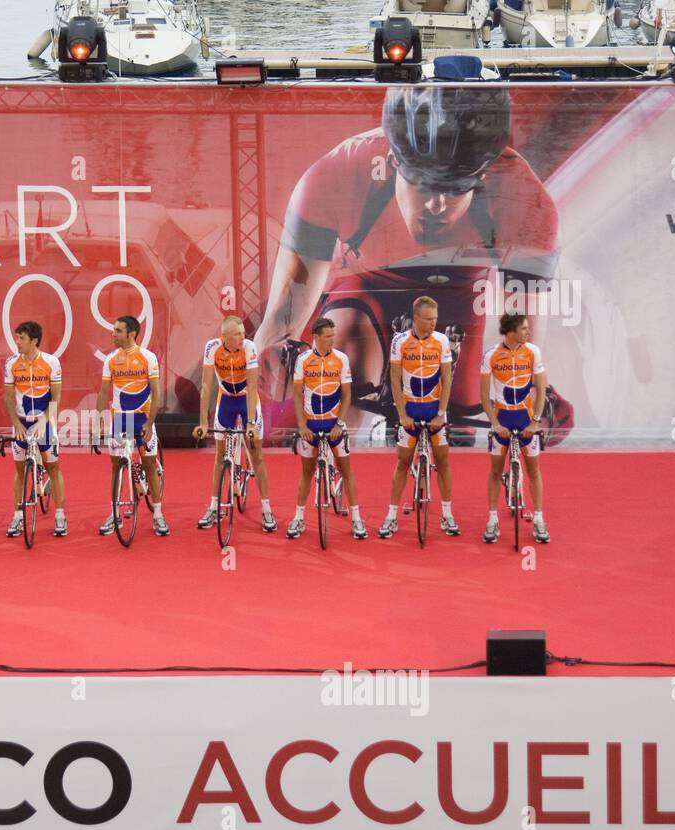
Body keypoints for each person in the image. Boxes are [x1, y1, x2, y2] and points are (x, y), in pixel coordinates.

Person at [255, 84, 571, 442]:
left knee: (462, 423)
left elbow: (522, 338)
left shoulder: (526, 202)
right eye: (422, 183)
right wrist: (267, 378)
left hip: (458, 295)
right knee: (343, 361)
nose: (436, 205)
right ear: (394, 161)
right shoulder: (335, 175)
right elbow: (282, 320)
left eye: (455, 189)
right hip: (364, 283)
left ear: (481, 178)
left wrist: (531, 390)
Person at [379, 296, 460, 538]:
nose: (433, 323)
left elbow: (447, 379)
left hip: (435, 410)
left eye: (435, 318)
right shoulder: (399, 341)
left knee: (443, 462)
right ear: (416, 319)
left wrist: (442, 413)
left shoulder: (442, 341)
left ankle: (447, 514)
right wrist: (402, 414)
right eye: (428, 319)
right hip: (410, 410)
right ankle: (391, 516)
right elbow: (394, 378)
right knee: (403, 463)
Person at [193, 315, 276, 533]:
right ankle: (213, 506)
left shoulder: (249, 348)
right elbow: (205, 385)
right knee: (220, 457)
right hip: (226, 400)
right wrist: (202, 421)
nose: (243, 336)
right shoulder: (212, 348)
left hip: (246, 400)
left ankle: (267, 509)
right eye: (237, 334)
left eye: (242, 332)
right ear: (225, 336)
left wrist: (250, 422)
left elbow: (251, 387)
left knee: (256, 455)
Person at [289, 317, 367, 540]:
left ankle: (357, 519)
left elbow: (347, 394)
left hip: (334, 426)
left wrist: (340, 424)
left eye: (334, 336)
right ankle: (298, 518)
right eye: (328, 337)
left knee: (346, 470)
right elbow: (296, 394)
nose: (332, 340)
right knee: (306, 473)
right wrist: (302, 425)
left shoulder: (341, 359)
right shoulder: (302, 360)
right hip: (311, 426)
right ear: (316, 337)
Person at [481, 313, 550, 545]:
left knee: (533, 471)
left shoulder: (533, 352)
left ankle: (539, 519)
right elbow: (483, 395)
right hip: (502, 420)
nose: (527, 333)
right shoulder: (491, 354)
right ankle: (492, 520)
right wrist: (495, 423)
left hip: (525, 420)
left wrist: (536, 422)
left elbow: (541, 389)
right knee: (494, 472)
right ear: (511, 330)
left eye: (528, 329)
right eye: (523, 329)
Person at [97, 315, 168, 537]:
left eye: (118, 330)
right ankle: (114, 513)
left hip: (143, 417)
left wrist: (150, 422)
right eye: (114, 330)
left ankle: (157, 515)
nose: (113, 334)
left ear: (132, 334)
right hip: (121, 419)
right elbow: (102, 392)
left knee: (148, 465)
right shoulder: (111, 359)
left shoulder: (148, 357)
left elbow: (156, 392)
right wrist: (99, 420)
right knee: (116, 467)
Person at [3, 320, 67, 538]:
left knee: (53, 468)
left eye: (21, 338)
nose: (17, 342)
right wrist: (16, 423)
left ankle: (60, 515)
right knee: (19, 470)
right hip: (21, 423)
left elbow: (56, 397)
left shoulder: (51, 362)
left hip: (44, 422)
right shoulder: (11, 363)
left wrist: (44, 421)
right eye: (17, 337)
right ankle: (18, 515)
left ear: (34, 341)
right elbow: (8, 397)